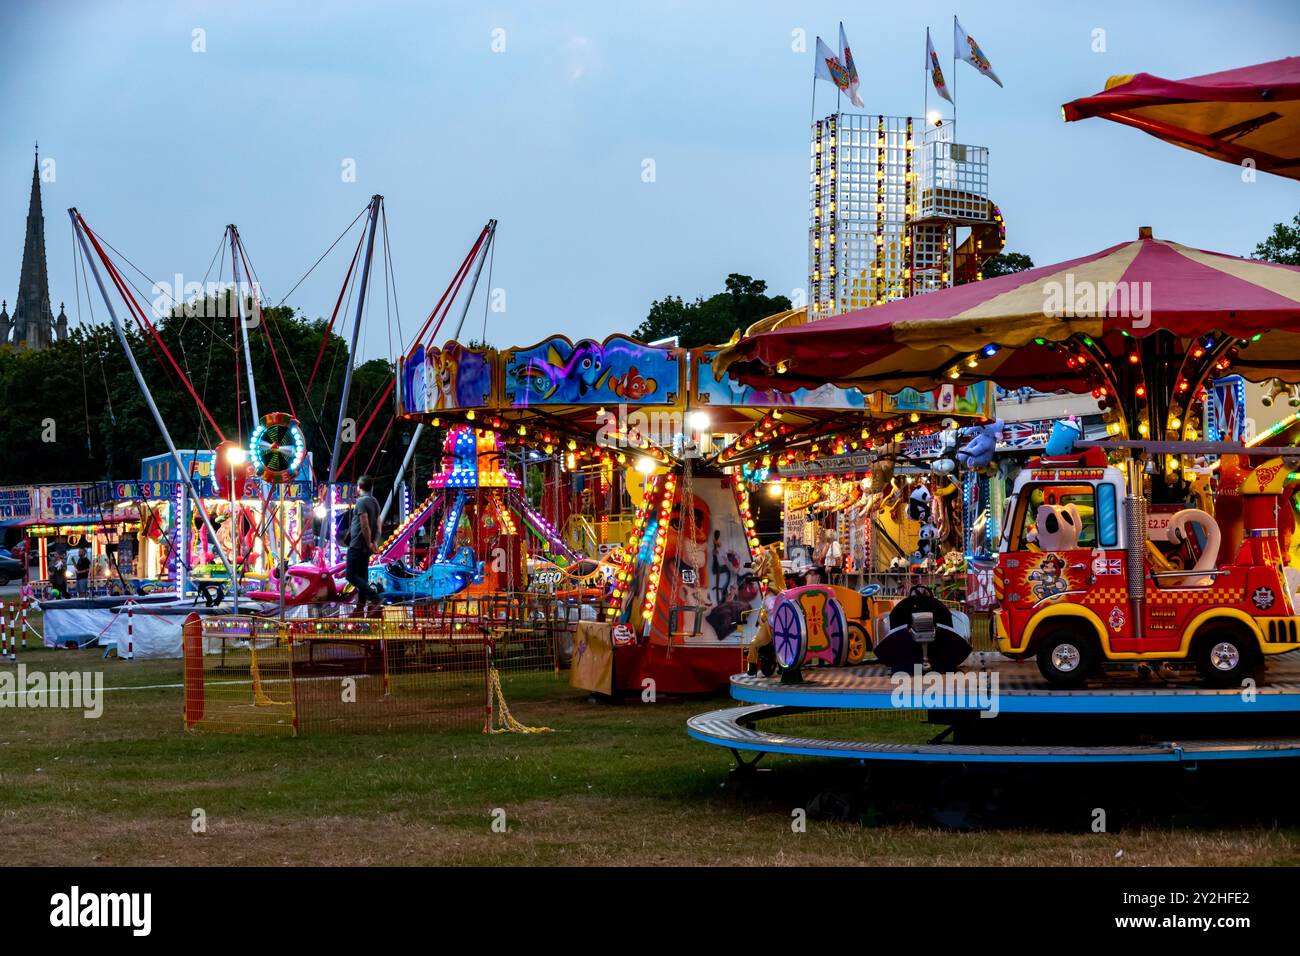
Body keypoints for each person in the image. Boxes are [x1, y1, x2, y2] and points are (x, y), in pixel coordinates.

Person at [345, 475, 383, 616]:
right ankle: (360, 609)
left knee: (350, 575)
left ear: (359, 488)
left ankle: (375, 597)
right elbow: (379, 525)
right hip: (367, 547)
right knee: (362, 576)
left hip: (357, 545)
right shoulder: (375, 502)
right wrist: (374, 543)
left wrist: (368, 542)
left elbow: (364, 524)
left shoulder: (361, 502)